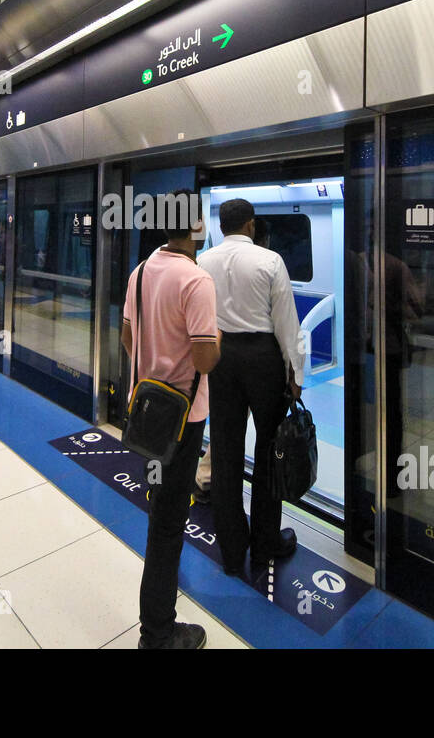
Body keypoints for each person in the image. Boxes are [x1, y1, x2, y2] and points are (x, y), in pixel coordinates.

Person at [121, 189, 220, 649]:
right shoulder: (196, 281)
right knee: (168, 524)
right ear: (194, 226)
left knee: (159, 509)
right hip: (184, 419)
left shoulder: (140, 272)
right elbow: (205, 358)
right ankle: (157, 632)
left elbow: (127, 337)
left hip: (147, 412)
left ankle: (156, 623)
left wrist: (155, 368)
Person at [197, 198, 303, 576]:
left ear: (222, 226)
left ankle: (230, 550)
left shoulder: (203, 262)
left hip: (222, 358)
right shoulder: (270, 261)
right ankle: (265, 545)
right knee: (269, 453)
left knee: (225, 453)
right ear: (251, 225)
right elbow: (286, 324)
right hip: (262, 359)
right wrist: (296, 375)